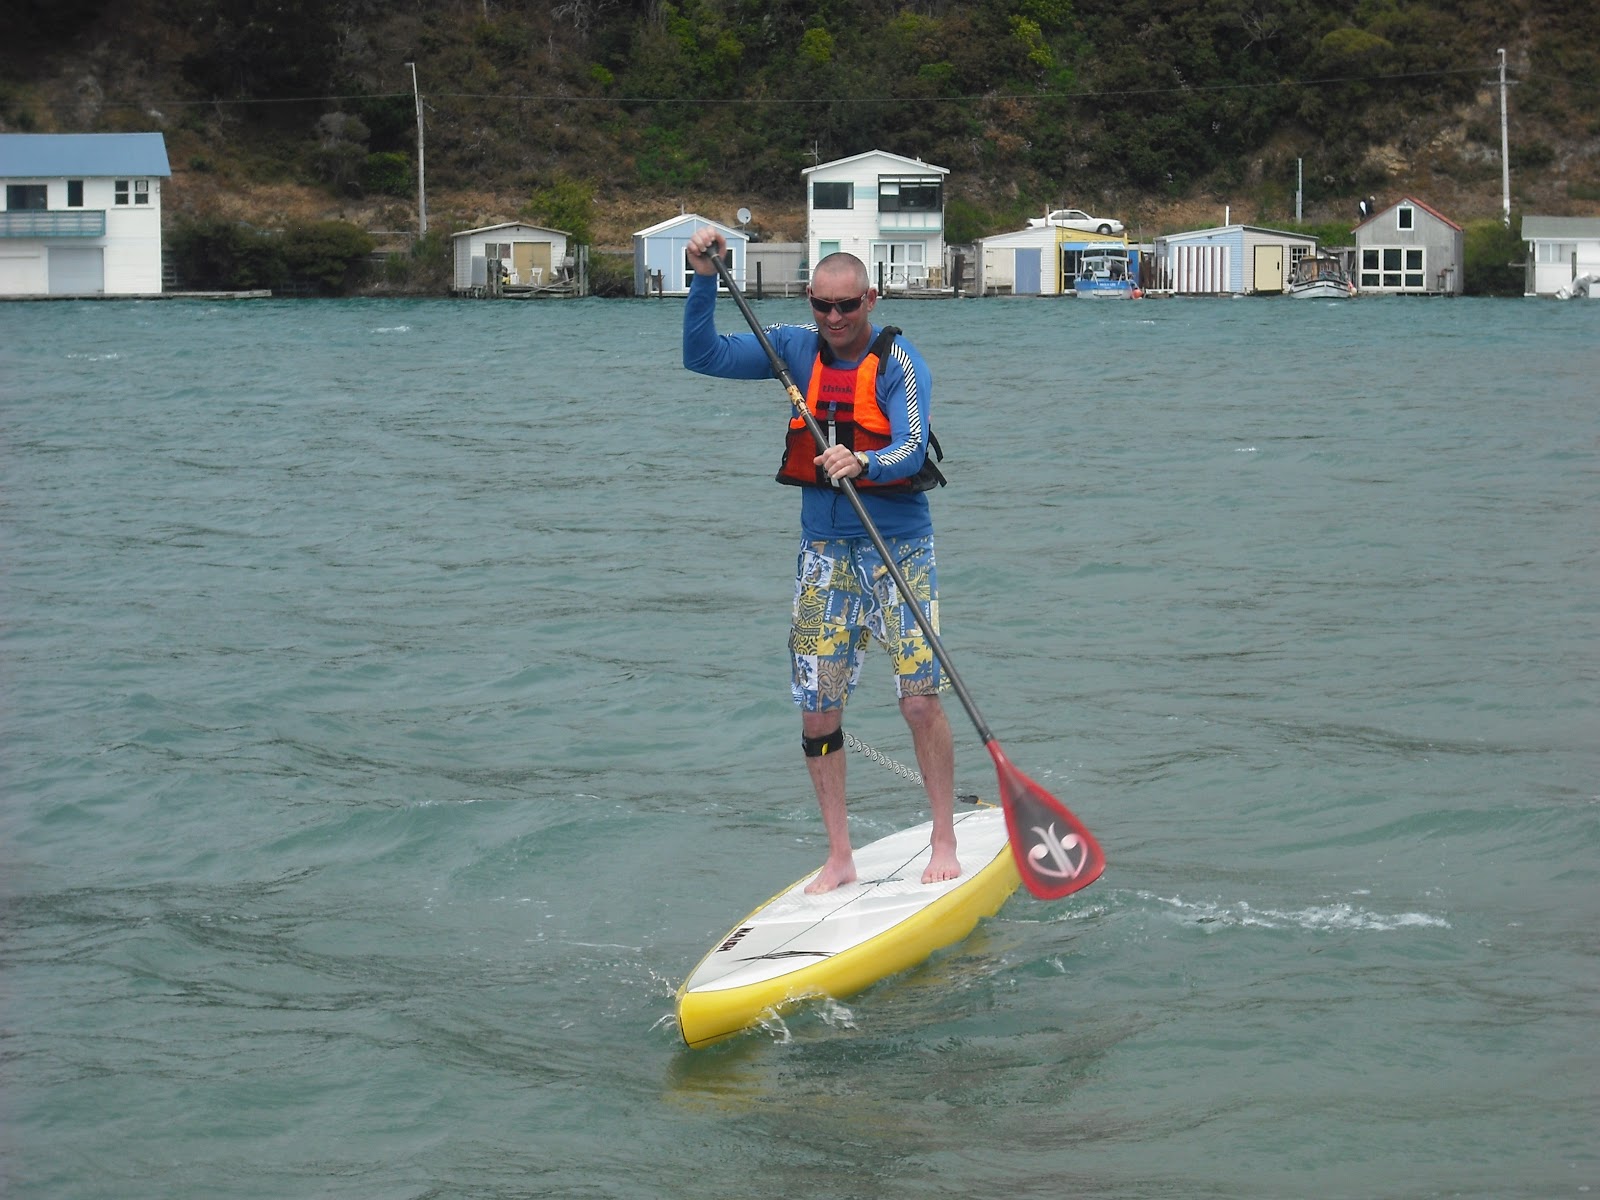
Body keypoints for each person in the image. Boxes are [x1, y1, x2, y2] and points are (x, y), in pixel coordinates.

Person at [681, 227, 958, 894]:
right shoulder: (794, 349)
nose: (834, 320)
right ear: (810, 301)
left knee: (919, 704)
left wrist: (864, 459)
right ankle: (840, 855)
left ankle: (943, 836)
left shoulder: (900, 362)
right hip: (824, 554)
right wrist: (701, 279)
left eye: (847, 306)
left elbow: (915, 449)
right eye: (822, 306)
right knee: (817, 711)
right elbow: (704, 355)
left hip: (898, 547)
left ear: (871, 298)